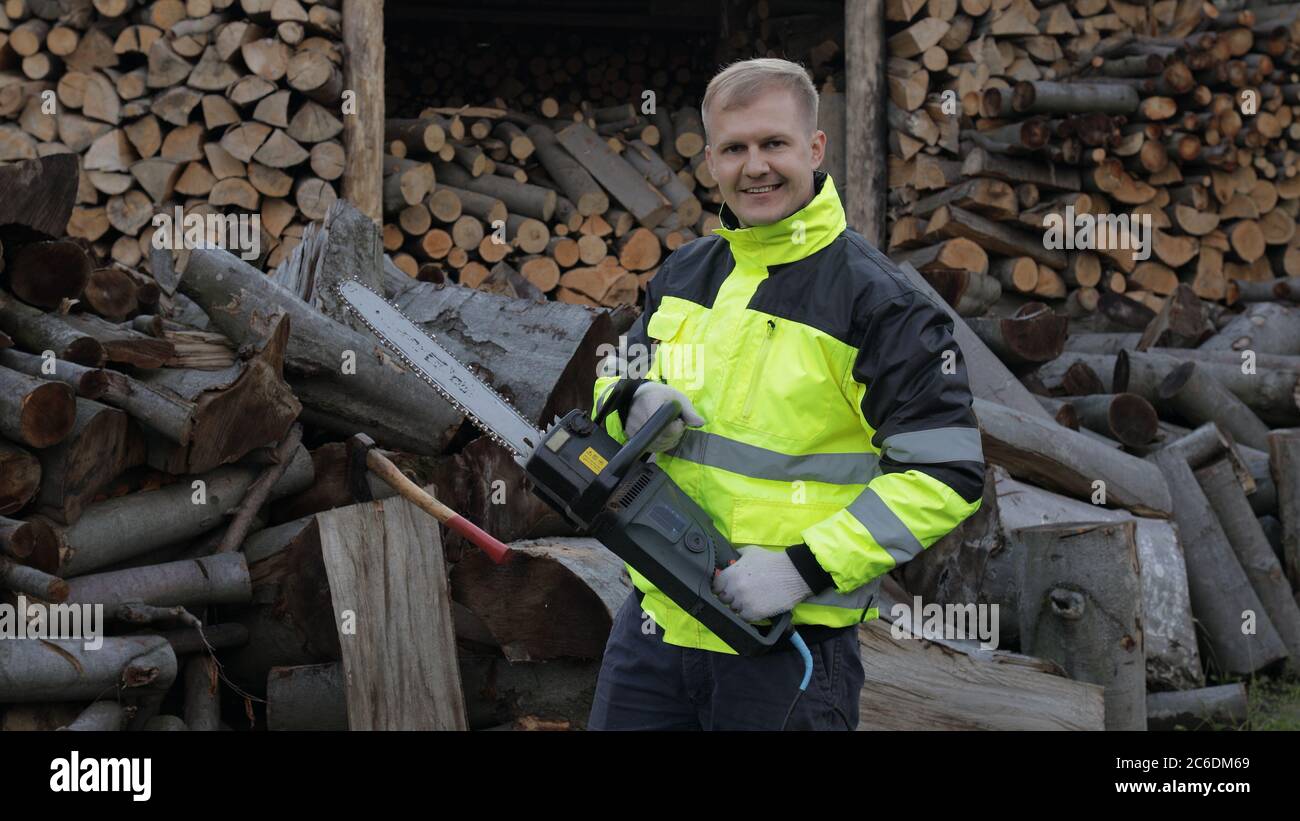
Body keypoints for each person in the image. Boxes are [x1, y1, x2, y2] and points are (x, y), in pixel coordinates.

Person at [587, 57, 985, 731]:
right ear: (711, 159)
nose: (756, 166)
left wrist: (805, 566)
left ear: (815, 149)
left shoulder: (878, 301)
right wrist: (630, 402)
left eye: (774, 143)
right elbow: (614, 370)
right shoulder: (686, 272)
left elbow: (945, 471)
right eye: (735, 148)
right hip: (654, 627)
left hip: (785, 646)